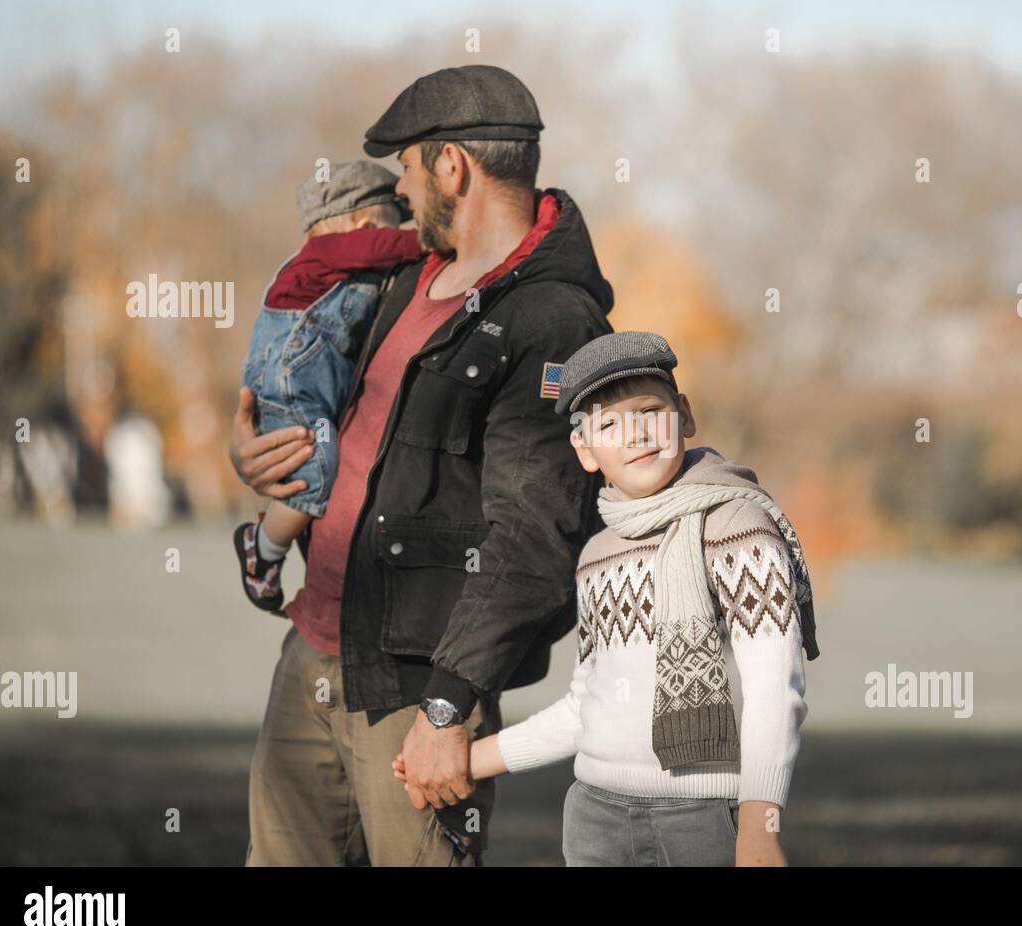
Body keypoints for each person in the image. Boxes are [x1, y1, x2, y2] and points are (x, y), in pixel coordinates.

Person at [229, 65, 614, 866]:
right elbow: (327, 406)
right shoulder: (408, 279)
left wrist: (448, 709)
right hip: (312, 653)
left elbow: (534, 539)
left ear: (451, 166)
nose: (400, 192)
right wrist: (254, 456)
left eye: (406, 168)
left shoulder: (554, 320)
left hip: (419, 693)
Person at [396, 331, 821, 866]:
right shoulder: (597, 552)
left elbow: (773, 690)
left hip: (705, 818)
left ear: (684, 415)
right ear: (585, 449)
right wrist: (471, 759)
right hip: (595, 817)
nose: (636, 434)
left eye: (649, 410)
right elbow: (588, 709)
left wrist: (761, 826)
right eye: (609, 423)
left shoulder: (738, 526)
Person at [233, 161, 423, 611]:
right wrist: (433, 241)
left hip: (305, 383)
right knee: (316, 472)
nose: (394, 246)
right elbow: (386, 246)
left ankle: (270, 546)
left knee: (312, 472)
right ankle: (262, 550)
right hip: (289, 383)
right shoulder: (324, 255)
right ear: (361, 227)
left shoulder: (332, 267)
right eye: (389, 231)